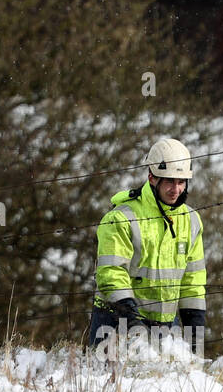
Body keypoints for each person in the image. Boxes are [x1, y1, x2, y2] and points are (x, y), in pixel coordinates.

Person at [87, 138, 206, 355]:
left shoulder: (192, 221)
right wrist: (131, 320)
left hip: (167, 326)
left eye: (181, 181)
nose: (176, 189)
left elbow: (193, 281)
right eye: (169, 181)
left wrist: (195, 329)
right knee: (107, 384)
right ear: (152, 178)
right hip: (115, 320)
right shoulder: (122, 217)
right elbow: (111, 273)